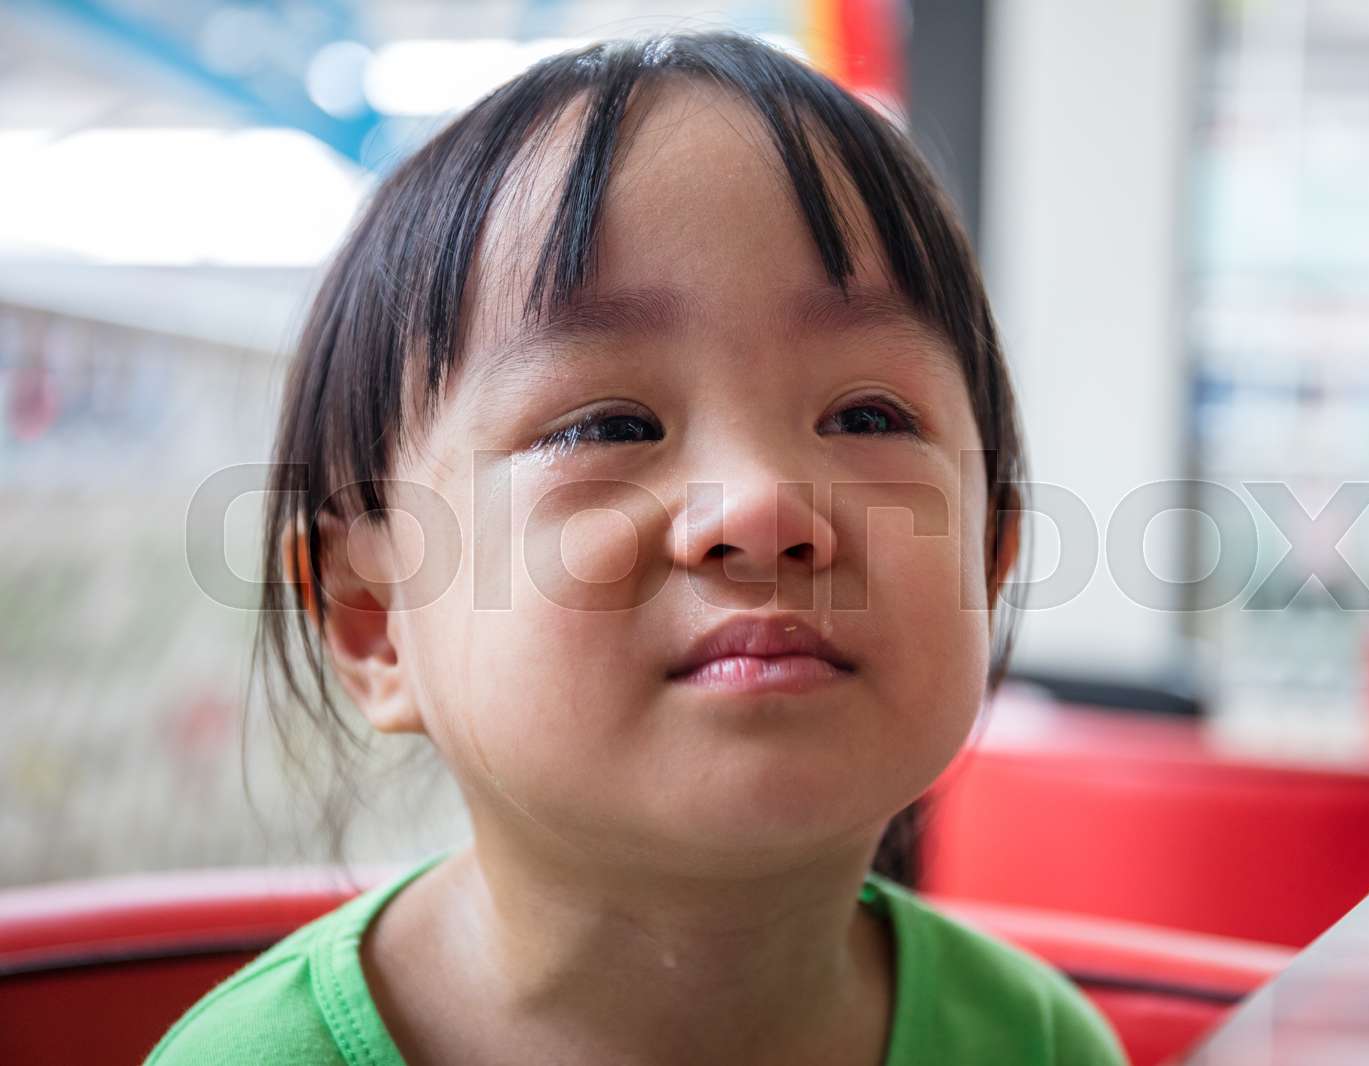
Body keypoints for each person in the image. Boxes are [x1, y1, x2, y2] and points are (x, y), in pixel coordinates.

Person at [145, 30, 1128, 1066]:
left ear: (987, 559)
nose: (760, 506)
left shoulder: (1040, 1044)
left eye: (868, 417)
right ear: (377, 621)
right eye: (607, 427)